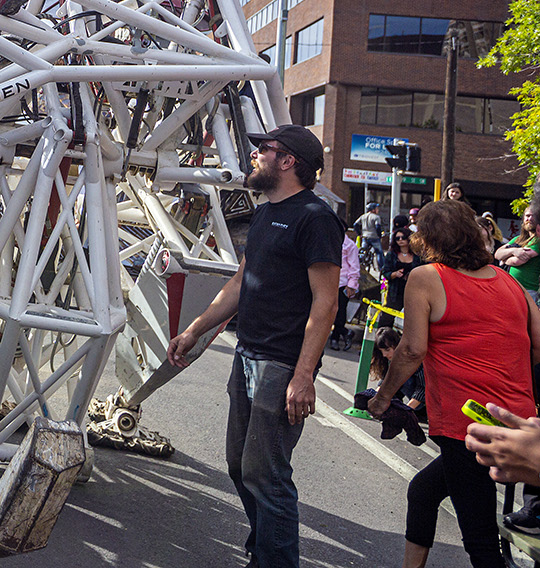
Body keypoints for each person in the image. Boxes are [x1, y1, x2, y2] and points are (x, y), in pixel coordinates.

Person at [167, 123, 341, 568]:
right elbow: (241, 283)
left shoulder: (316, 218)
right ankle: (264, 549)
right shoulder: (264, 214)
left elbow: (326, 304)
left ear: (288, 162)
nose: (255, 156)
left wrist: (303, 376)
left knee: (267, 475)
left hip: (280, 365)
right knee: (239, 467)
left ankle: (274, 561)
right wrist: (196, 329)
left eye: (264, 149)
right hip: (247, 356)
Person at [370, 199, 539, 568]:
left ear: (428, 241)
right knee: (424, 491)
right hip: (517, 425)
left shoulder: (427, 277)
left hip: (468, 423)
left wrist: (382, 399)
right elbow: (538, 347)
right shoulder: (509, 283)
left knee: (480, 542)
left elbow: (412, 349)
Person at [496, 204, 540, 304]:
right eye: (527, 216)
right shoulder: (518, 239)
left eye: (534, 216)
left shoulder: (538, 240)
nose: (530, 218)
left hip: (527, 291)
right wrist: (513, 251)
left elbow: (516, 261)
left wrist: (504, 259)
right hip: (510, 288)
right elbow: (497, 253)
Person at [382, 221, 424, 323]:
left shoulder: (417, 256)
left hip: (413, 292)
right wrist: (395, 274)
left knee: (413, 320)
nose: (400, 240)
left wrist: (412, 276)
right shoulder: (391, 255)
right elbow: (385, 272)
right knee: (387, 318)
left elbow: (423, 270)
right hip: (395, 291)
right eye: (397, 238)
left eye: (403, 237)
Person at [330, 226, 361, 351]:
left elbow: (355, 267)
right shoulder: (327, 241)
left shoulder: (350, 245)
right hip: (326, 282)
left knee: (339, 311)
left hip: (342, 283)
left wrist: (351, 285)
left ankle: (336, 338)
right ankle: (344, 332)